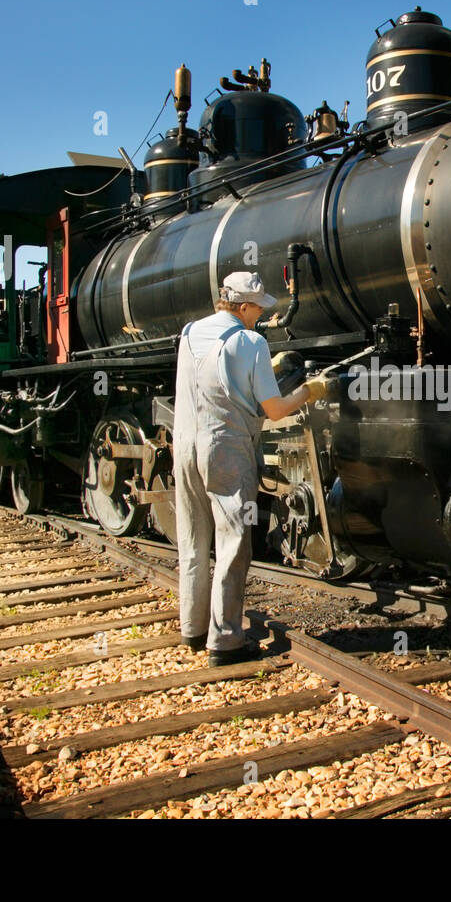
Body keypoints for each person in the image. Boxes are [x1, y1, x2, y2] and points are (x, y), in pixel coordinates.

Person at [174, 270, 330, 666]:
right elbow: (275, 410)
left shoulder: (190, 332)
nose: (260, 316)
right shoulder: (251, 341)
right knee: (232, 541)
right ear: (242, 306)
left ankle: (193, 629)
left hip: (184, 447)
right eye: (257, 309)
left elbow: (212, 383)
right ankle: (225, 641)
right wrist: (310, 390)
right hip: (224, 450)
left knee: (193, 538)